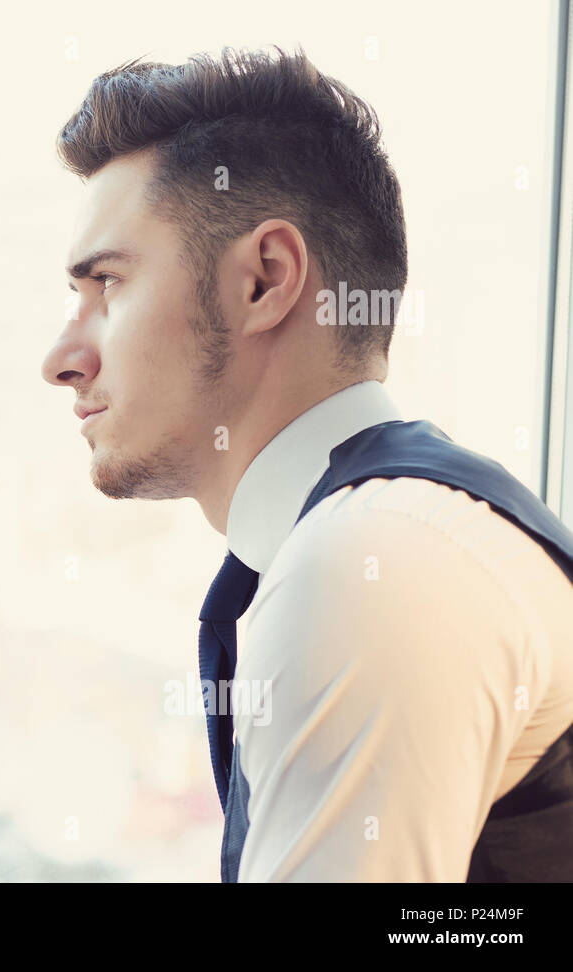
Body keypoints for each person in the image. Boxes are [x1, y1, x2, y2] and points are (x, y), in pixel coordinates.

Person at [40, 46, 573, 881]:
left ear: (265, 280)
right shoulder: (399, 530)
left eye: (107, 284)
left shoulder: (375, 561)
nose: (63, 357)